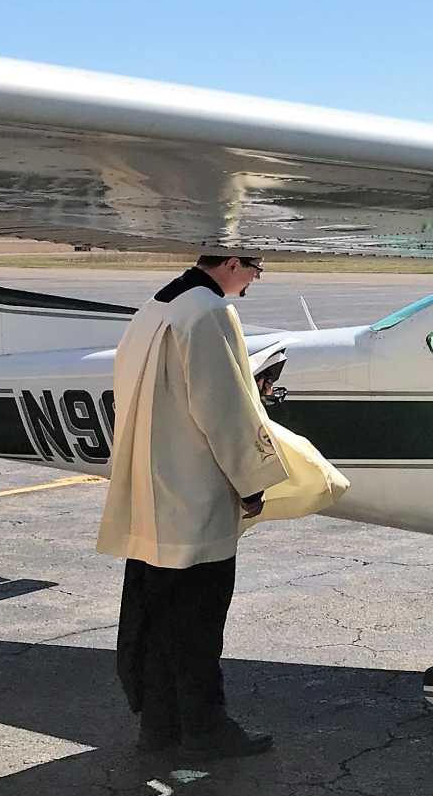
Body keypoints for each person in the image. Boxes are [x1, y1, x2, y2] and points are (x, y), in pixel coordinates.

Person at [98, 254, 294, 760]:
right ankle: (206, 730)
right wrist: (252, 482)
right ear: (233, 262)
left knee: (156, 619)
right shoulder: (210, 311)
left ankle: (159, 726)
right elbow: (223, 407)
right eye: (255, 270)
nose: (254, 282)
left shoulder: (156, 307)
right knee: (199, 624)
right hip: (193, 497)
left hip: (152, 491)